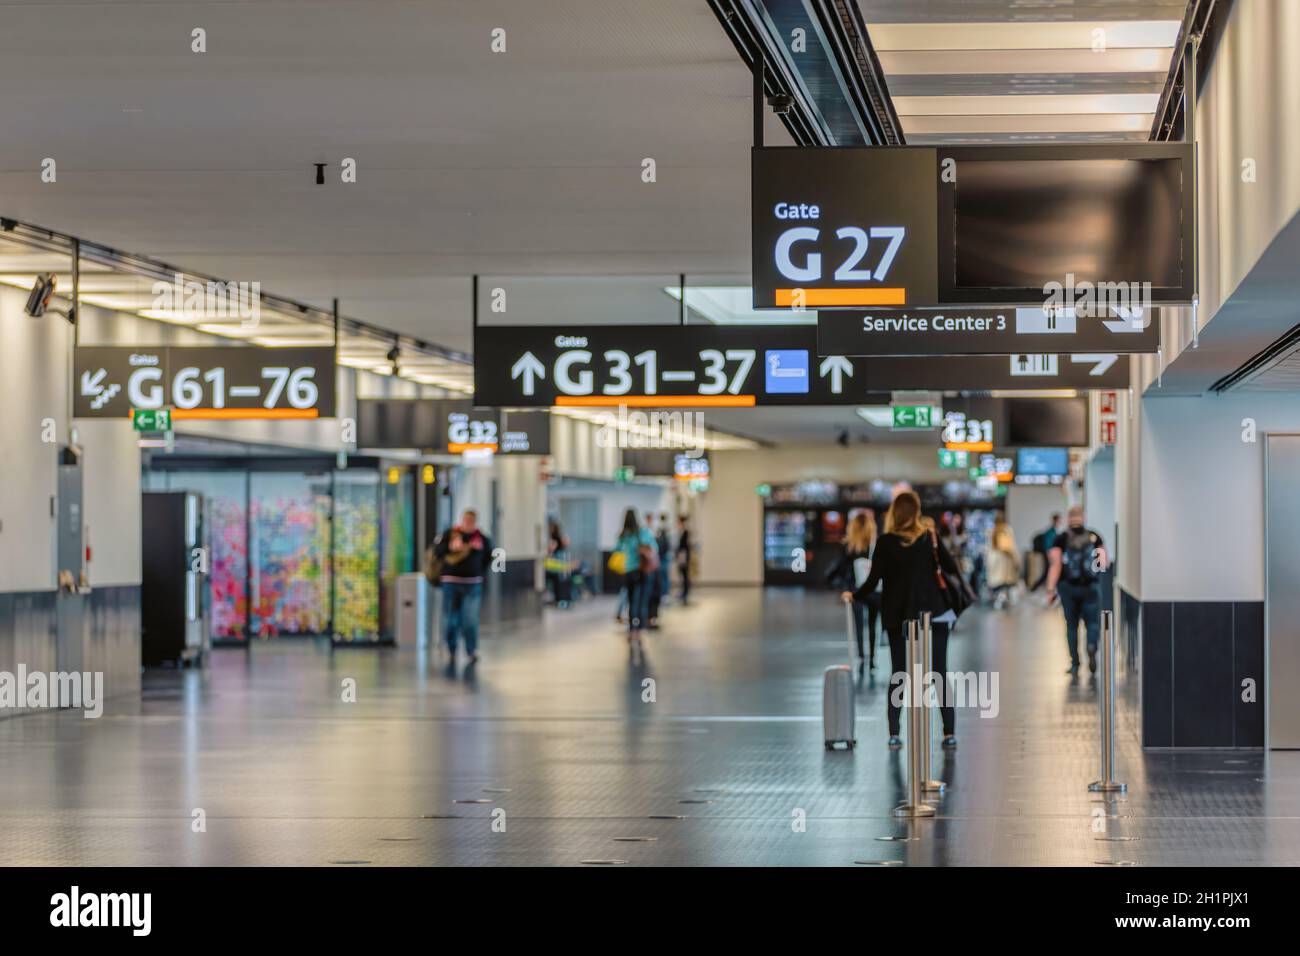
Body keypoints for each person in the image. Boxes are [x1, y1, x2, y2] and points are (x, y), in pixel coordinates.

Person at [844, 491, 968, 749]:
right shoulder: (929, 537)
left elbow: (873, 580)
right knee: (939, 672)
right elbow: (952, 567)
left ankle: (894, 732)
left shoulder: (887, 542)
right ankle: (948, 732)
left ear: (893, 514)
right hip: (935, 612)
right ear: (917, 512)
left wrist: (854, 596)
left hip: (899, 614)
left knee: (899, 673)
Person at [1046, 505, 1108, 676]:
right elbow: (1104, 563)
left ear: (1068, 519)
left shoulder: (1061, 539)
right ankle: (1091, 646)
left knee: (1071, 625)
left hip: (1068, 588)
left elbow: (1056, 565)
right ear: (1083, 518)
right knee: (1092, 623)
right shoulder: (1094, 537)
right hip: (1091, 587)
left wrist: (1050, 589)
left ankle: (1075, 663)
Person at [432, 509, 492, 664]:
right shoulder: (449, 534)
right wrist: (450, 547)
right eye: (466, 520)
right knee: (451, 619)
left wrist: (479, 573)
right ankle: (451, 648)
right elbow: (436, 552)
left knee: (470, 619)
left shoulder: (481, 539)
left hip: (473, 585)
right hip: (451, 583)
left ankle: (471, 650)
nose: (468, 523)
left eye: (471, 520)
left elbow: (489, 556)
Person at [826, 510, 880, 673]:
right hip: (875, 589)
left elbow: (840, 569)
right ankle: (872, 658)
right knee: (872, 623)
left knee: (858, 623)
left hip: (855, 590)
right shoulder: (876, 545)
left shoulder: (849, 546)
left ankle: (861, 656)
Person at [614, 508, 657, 648]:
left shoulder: (623, 535)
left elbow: (617, 550)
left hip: (628, 571)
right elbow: (653, 547)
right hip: (641, 570)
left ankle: (632, 630)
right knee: (642, 600)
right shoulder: (642, 532)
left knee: (631, 601)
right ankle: (639, 629)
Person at [984, 522, 1021, 609]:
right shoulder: (1001, 549)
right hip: (1004, 578)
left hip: (1000, 578)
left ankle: (1001, 597)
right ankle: (1002, 597)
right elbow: (1017, 562)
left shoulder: (992, 551)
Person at [1029, 513, 1063, 591]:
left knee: (1047, 572)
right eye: (1059, 520)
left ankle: (1038, 587)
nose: (1060, 522)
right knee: (1047, 572)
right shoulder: (1051, 532)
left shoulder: (1053, 531)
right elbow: (1048, 546)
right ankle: (1036, 588)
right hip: (1048, 555)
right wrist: (1050, 556)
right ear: (1055, 521)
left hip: (1050, 555)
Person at [546, 520, 572, 608]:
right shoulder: (556, 538)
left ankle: (563, 601)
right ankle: (562, 600)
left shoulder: (557, 538)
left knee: (562, 581)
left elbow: (552, 549)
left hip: (558, 562)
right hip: (557, 563)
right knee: (561, 581)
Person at [643, 512, 663, 629]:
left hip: (654, 569)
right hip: (648, 570)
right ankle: (648, 618)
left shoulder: (653, 532)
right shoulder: (645, 533)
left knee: (655, 594)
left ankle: (651, 618)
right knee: (649, 595)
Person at [655, 513, 672, 610]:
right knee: (663, 576)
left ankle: (665, 594)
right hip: (662, 556)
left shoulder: (663, 530)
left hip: (663, 556)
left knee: (664, 576)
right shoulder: (663, 530)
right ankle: (664, 594)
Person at [675, 516, 693, 604]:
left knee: (685, 575)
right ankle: (683, 591)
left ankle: (685, 592)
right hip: (682, 556)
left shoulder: (685, 532)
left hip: (684, 556)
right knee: (682, 574)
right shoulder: (682, 532)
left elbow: (684, 547)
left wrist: (682, 557)